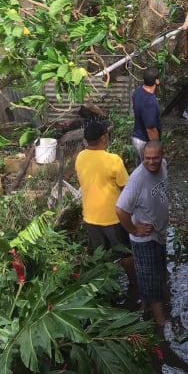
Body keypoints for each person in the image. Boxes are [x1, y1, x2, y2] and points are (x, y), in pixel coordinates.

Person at [116, 140, 170, 330]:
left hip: (160, 233)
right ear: (142, 158)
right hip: (145, 238)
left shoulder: (163, 165)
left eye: (155, 158)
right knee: (153, 279)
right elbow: (120, 209)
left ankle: (143, 306)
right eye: (147, 158)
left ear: (163, 155)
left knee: (156, 274)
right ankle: (160, 320)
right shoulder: (137, 180)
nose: (151, 162)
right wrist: (133, 228)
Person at [74, 121, 135, 284]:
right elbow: (126, 189)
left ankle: (99, 287)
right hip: (113, 219)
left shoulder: (80, 157)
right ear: (104, 138)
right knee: (126, 253)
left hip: (90, 217)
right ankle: (134, 284)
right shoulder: (113, 160)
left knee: (98, 255)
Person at [131, 66, 162, 163]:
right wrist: (157, 149)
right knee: (149, 173)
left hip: (136, 138)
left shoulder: (138, 91)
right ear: (157, 81)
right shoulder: (150, 102)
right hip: (144, 142)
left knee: (140, 170)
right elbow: (151, 129)